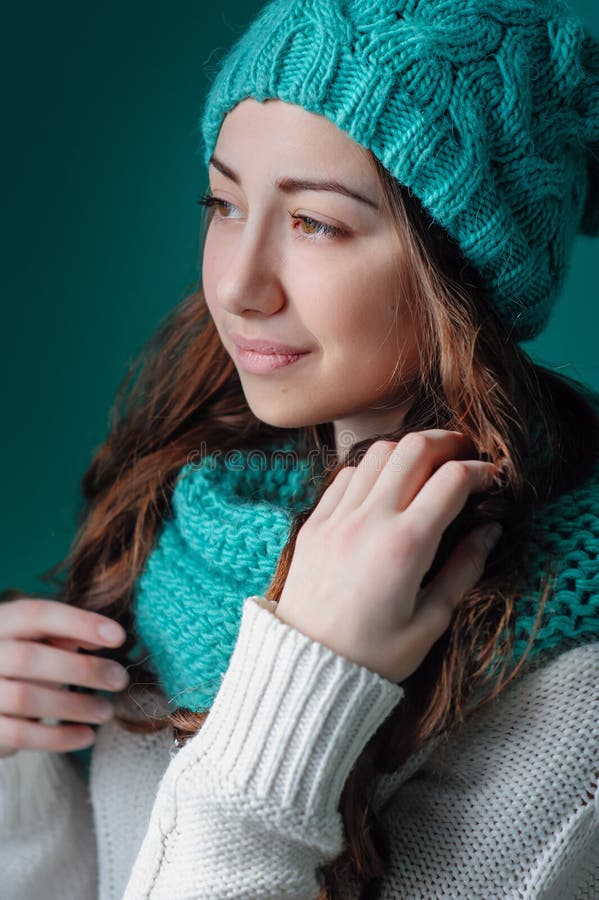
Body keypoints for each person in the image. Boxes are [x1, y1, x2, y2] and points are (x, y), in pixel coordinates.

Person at [1, 0, 598, 897]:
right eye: (224, 203)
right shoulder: (176, 539)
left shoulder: (570, 693)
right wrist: (17, 770)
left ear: (464, 267)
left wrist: (308, 678)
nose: (237, 286)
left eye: (315, 223)